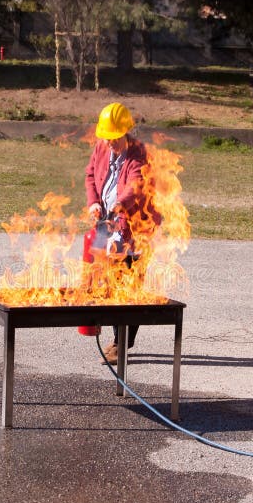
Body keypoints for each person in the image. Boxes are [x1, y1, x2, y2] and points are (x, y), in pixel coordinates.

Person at [85, 102, 155, 365]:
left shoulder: (139, 154)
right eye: (107, 138)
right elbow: (91, 175)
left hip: (133, 224)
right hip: (106, 222)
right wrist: (94, 202)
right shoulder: (101, 148)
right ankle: (104, 325)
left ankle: (121, 343)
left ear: (126, 132)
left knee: (129, 281)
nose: (110, 143)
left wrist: (119, 206)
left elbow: (135, 186)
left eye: (115, 139)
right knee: (102, 275)